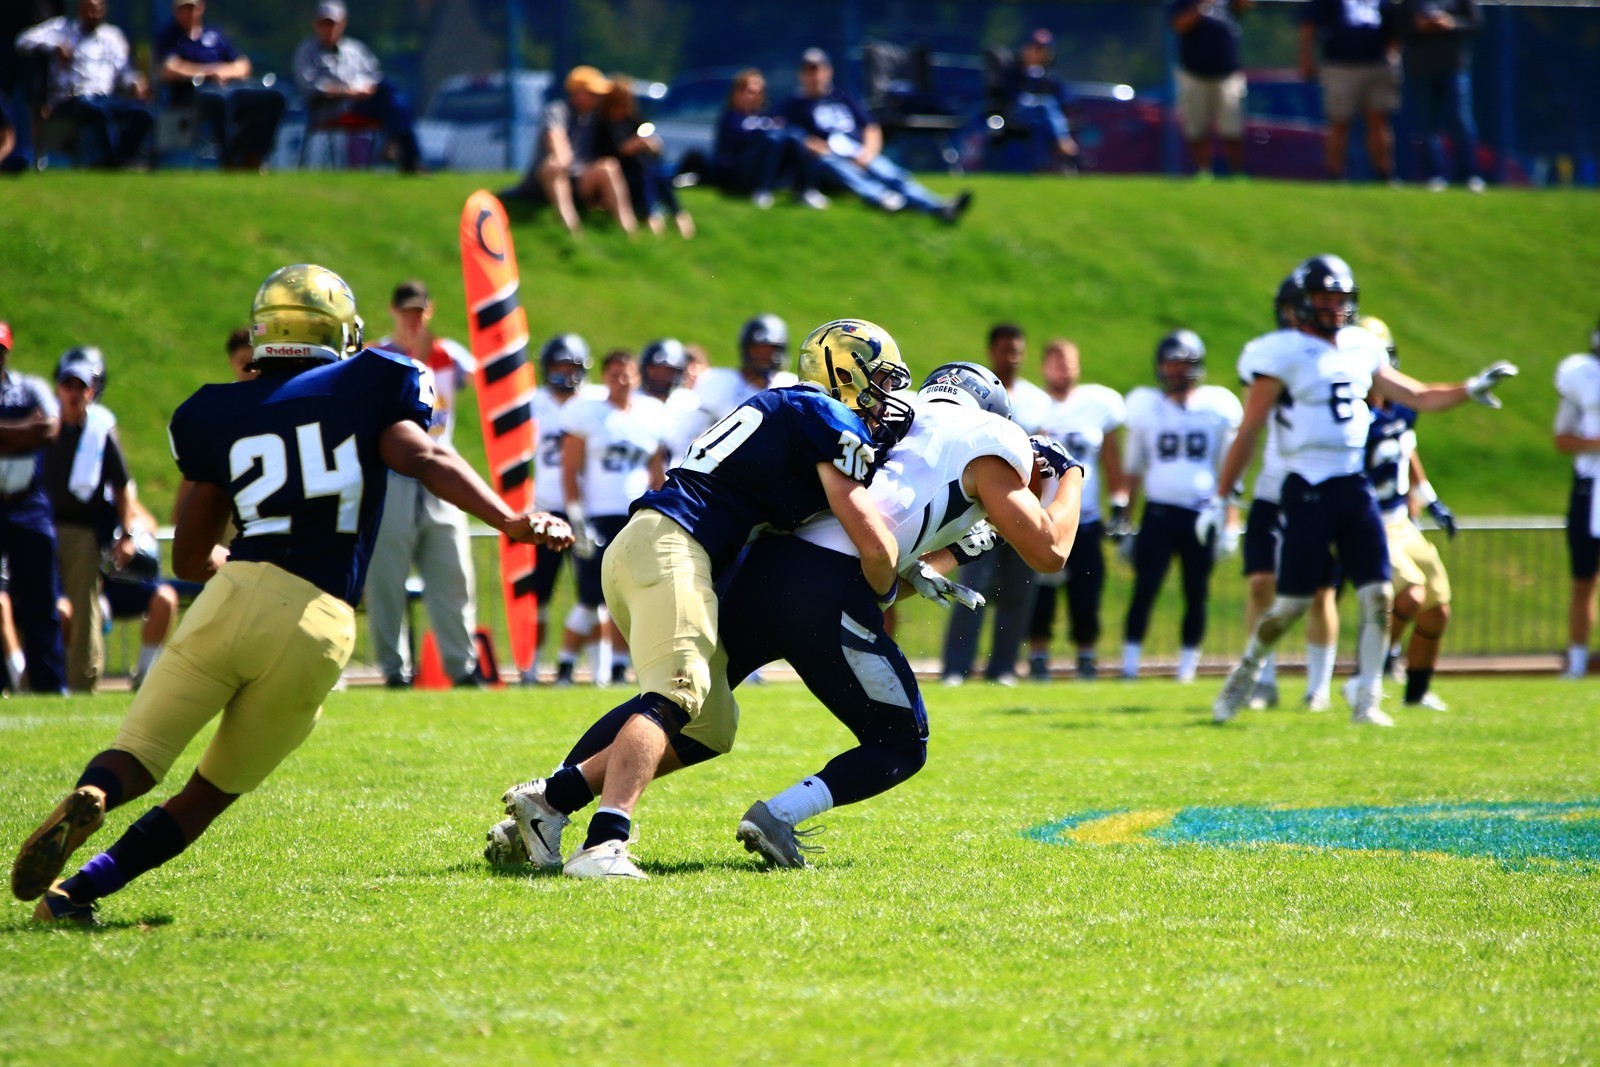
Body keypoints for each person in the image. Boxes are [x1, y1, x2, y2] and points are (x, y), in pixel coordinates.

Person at [10, 263, 571, 924]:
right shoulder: (374, 381)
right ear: (338, 330)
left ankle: (94, 795)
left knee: (136, 755)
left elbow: (190, 554)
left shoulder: (217, 410)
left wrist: (244, 575)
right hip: (320, 622)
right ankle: (77, 892)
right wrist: (507, 517)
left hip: (238, 587)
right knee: (208, 790)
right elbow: (423, 456)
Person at [489, 362, 1083, 872]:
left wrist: (942, 557)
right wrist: (1070, 474)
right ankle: (775, 816)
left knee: (695, 709)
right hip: (826, 585)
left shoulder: (893, 421)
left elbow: (889, 522)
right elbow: (1050, 551)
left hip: (764, 565)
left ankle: (550, 802)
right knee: (901, 743)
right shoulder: (995, 437)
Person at [499, 317, 910, 879]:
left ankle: (549, 801)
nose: (886, 396)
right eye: (880, 379)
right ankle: (604, 844)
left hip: (650, 544)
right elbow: (864, 527)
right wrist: (886, 587)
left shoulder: (785, 411)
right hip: (675, 542)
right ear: (842, 369)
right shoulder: (823, 411)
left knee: (708, 725)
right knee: (676, 691)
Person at [1212, 254, 1516, 725]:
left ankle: (1367, 700)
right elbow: (1250, 429)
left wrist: (1469, 387)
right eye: (1324, 299)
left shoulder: (1360, 346)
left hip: (1353, 485)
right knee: (1292, 603)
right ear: (1303, 303)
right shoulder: (1279, 352)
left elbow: (1415, 394)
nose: (1335, 308)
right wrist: (1223, 495)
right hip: (1307, 484)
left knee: (1377, 594)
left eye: (1341, 299)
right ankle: (1248, 671)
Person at [366, 280, 480, 690]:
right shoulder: (375, 356)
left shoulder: (449, 355)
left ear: (428, 312)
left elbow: (486, 373)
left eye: (419, 312)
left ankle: (463, 668)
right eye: (406, 312)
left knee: (453, 575)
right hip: (392, 475)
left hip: (440, 471)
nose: (413, 320)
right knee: (387, 578)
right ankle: (393, 670)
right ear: (394, 312)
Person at [1239, 276, 1341, 711]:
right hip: (1272, 487)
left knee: (1320, 592)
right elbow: (1251, 422)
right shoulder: (1268, 354)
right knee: (1261, 584)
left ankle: (1318, 686)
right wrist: (1228, 492)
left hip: (1319, 489)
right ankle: (1262, 681)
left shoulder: (1341, 356)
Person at [1119, 330, 1243, 682]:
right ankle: (1129, 666)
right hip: (1158, 513)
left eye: (1184, 364)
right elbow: (1133, 471)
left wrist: (1231, 522)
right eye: (1171, 363)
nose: (1177, 371)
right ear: (1160, 367)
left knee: (1196, 593)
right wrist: (1127, 522)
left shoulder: (1217, 407)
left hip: (1201, 514)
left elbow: (1229, 472)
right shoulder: (1146, 407)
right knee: (1144, 589)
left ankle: (1187, 669)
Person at [1349, 315, 1454, 710]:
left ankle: (1417, 691)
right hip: (1366, 521)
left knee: (1437, 610)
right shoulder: (1351, 415)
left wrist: (1429, 496)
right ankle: (1365, 678)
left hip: (1399, 518)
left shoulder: (1401, 410)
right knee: (1409, 595)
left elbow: (1407, 449)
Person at [940, 323, 1053, 686]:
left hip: (1021, 509)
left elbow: (1042, 459)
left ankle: (1003, 667)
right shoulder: (977, 392)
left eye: (1018, 349)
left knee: (1018, 593)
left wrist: (1038, 511)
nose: (1013, 356)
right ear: (992, 351)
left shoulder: (1036, 399)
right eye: (1006, 349)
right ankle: (957, 667)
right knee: (972, 588)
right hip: (982, 512)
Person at [553, 349, 669, 687]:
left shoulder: (648, 416)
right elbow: (570, 470)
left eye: (627, 373)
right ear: (604, 377)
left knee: (628, 598)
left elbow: (656, 472)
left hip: (635, 516)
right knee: (591, 597)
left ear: (637, 376)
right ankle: (564, 667)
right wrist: (577, 517)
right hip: (598, 516)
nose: (622, 380)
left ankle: (619, 668)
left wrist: (659, 510)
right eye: (615, 373)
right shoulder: (589, 414)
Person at [1028, 338, 1125, 681]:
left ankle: (1086, 655)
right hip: (1041, 517)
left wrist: (1120, 500)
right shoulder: (1031, 405)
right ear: (1043, 367)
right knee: (1039, 595)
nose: (1062, 368)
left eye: (1068, 361)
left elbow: (1112, 457)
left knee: (1087, 591)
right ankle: (1037, 657)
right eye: (1055, 361)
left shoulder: (1098, 403)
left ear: (1078, 365)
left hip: (1086, 518)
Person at [782, 48, 972, 223]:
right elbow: (789, 135)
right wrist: (818, 147)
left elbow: (871, 127)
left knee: (892, 174)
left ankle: (939, 207)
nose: (814, 75)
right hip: (827, 160)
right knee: (833, 163)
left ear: (827, 71)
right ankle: (882, 198)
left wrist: (868, 153)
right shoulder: (794, 104)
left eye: (817, 69)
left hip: (858, 152)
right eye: (809, 70)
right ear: (802, 74)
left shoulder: (842, 97)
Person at [42, 345, 134, 692]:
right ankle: (36, 678)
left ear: (91, 391)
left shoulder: (100, 431)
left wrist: (126, 535)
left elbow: (122, 487)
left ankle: (82, 681)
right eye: (68, 386)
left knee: (83, 610)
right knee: (36, 604)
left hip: (82, 532)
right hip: (40, 528)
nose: (74, 393)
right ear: (58, 389)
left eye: (81, 387)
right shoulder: (41, 425)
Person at [523, 333, 600, 684]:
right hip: (543, 508)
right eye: (559, 366)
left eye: (572, 366)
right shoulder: (532, 402)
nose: (566, 374)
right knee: (537, 595)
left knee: (593, 594)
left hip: (587, 508)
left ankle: (598, 670)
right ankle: (530, 666)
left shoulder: (594, 402)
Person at [0, 320, 66, 694]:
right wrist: (23, 432)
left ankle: (49, 686)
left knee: (41, 599)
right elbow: (34, 431)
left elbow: (49, 431)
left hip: (28, 502)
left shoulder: (30, 387)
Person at [15, 0, 152, 169]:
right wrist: (55, 47)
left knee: (143, 113)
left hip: (106, 97)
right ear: (80, 8)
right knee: (93, 108)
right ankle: (108, 162)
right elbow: (22, 40)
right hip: (70, 98)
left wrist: (136, 82)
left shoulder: (112, 37)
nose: (94, 14)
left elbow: (125, 72)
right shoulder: (61, 29)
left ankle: (120, 159)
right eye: (90, 9)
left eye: (98, 9)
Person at [500, 65, 636, 236]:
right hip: (544, 182)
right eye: (593, 94)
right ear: (577, 93)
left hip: (577, 179)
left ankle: (629, 229)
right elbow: (556, 138)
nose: (598, 99)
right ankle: (572, 229)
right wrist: (562, 158)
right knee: (555, 165)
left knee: (609, 166)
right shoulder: (557, 110)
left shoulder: (594, 117)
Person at [153, 0, 284, 172]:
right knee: (219, 100)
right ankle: (228, 158)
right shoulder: (169, 37)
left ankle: (254, 155)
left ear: (201, 7)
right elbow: (169, 69)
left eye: (191, 8)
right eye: (183, 9)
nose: (188, 13)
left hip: (230, 88)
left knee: (273, 98)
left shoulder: (215, 34)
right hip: (193, 94)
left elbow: (243, 65)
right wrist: (205, 72)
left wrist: (222, 72)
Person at [291, 1, 421, 174]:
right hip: (331, 108)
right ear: (316, 24)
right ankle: (404, 155)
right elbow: (311, 86)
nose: (329, 29)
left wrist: (367, 89)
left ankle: (400, 151)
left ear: (343, 24)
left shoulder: (355, 49)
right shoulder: (306, 51)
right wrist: (347, 92)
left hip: (365, 104)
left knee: (393, 95)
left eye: (333, 24)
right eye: (324, 24)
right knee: (393, 100)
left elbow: (374, 75)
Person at [1300, 0, 1403, 183]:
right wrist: (1306, 58)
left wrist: (1393, 56)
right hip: (1340, 65)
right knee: (1339, 121)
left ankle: (1384, 175)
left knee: (1379, 120)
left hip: (1378, 64)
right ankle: (1335, 175)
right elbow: (1309, 26)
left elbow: (1395, 29)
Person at [1554, 314, 1600, 680]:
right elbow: (1561, 438)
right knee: (1583, 579)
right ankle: (1579, 662)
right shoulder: (1582, 376)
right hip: (1589, 485)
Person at [711, 68, 827, 209]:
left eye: (759, 92)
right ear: (737, 92)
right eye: (749, 91)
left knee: (794, 136)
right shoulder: (731, 118)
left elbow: (786, 128)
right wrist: (768, 133)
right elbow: (737, 144)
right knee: (771, 138)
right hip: (741, 172)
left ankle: (805, 190)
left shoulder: (767, 116)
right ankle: (763, 191)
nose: (753, 97)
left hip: (774, 169)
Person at [99, 492, 181, 689]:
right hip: (102, 587)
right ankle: (85, 673)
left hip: (137, 584)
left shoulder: (131, 507)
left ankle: (145, 673)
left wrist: (131, 530)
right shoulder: (96, 508)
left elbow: (150, 523)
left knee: (166, 598)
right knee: (91, 605)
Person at [1400, 0, 1485, 192]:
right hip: (1421, 68)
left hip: (1454, 67)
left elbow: (1477, 23)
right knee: (1427, 123)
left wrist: (1451, 23)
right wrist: (1419, 26)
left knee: (1460, 119)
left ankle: (1470, 174)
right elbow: (1399, 28)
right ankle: (1434, 175)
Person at [595, 79, 694, 239]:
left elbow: (653, 143)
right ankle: (653, 215)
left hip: (640, 165)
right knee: (644, 173)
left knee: (656, 171)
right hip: (620, 169)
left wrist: (651, 145)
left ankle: (676, 213)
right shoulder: (604, 124)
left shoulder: (632, 120)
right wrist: (632, 146)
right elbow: (612, 151)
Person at [1169, 0, 1251, 178]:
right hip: (1194, 72)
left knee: (1232, 124)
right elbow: (1179, 25)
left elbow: (1245, 6)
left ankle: (1237, 173)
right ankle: (1203, 171)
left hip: (1227, 73)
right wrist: (1202, 6)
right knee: (1196, 125)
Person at [995, 28, 1079, 173]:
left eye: (1043, 50)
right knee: (1045, 105)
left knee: (1041, 122)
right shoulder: (1013, 70)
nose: (1038, 53)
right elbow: (1008, 96)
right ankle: (1064, 143)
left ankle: (1041, 166)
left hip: (1040, 121)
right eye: (1036, 48)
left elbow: (1066, 99)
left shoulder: (1050, 76)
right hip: (1015, 114)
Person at [694, 313, 798, 423]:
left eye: (769, 351)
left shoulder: (791, 386)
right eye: (758, 350)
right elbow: (694, 430)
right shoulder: (716, 381)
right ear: (746, 349)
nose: (763, 356)